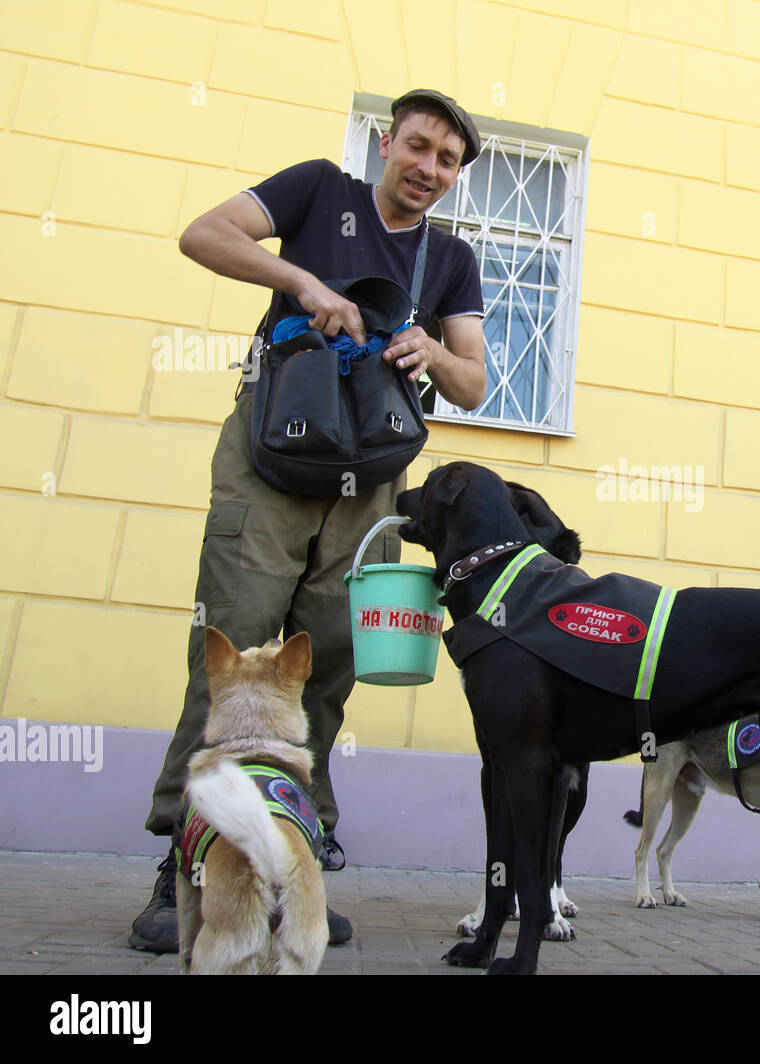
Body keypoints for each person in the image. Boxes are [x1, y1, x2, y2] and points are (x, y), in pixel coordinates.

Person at [129, 90, 487, 952]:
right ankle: (182, 871)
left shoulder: (453, 257)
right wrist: (301, 280)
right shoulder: (318, 190)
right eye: (417, 147)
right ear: (387, 142)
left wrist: (431, 350)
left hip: (371, 481)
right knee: (232, 654)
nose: (428, 168)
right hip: (269, 459)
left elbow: (473, 380)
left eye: (446, 160)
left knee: (321, 668)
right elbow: (204, 233)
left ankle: (294, 864)